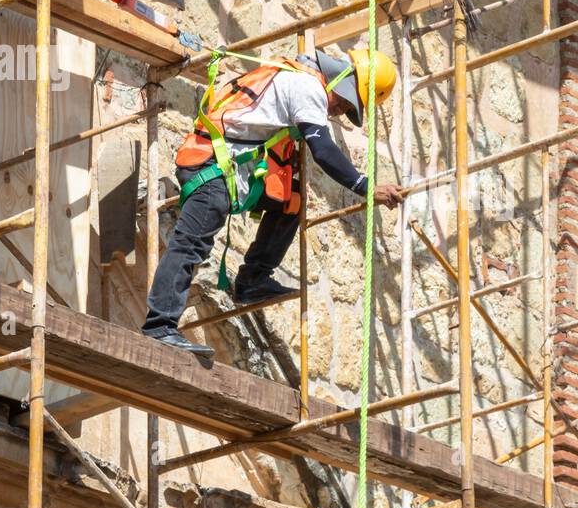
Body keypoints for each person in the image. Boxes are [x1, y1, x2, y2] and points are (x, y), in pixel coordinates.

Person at [142, 48, 405, 356]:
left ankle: (253, 279)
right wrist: (366, 187)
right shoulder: (307, 87)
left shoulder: (295, 78)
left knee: (291, 202)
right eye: (345, 102)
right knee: (190, 246)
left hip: (225, 170)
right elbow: (323, 150)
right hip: (210, 168)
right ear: (343, 81)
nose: (338, 112)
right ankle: (159, 326)